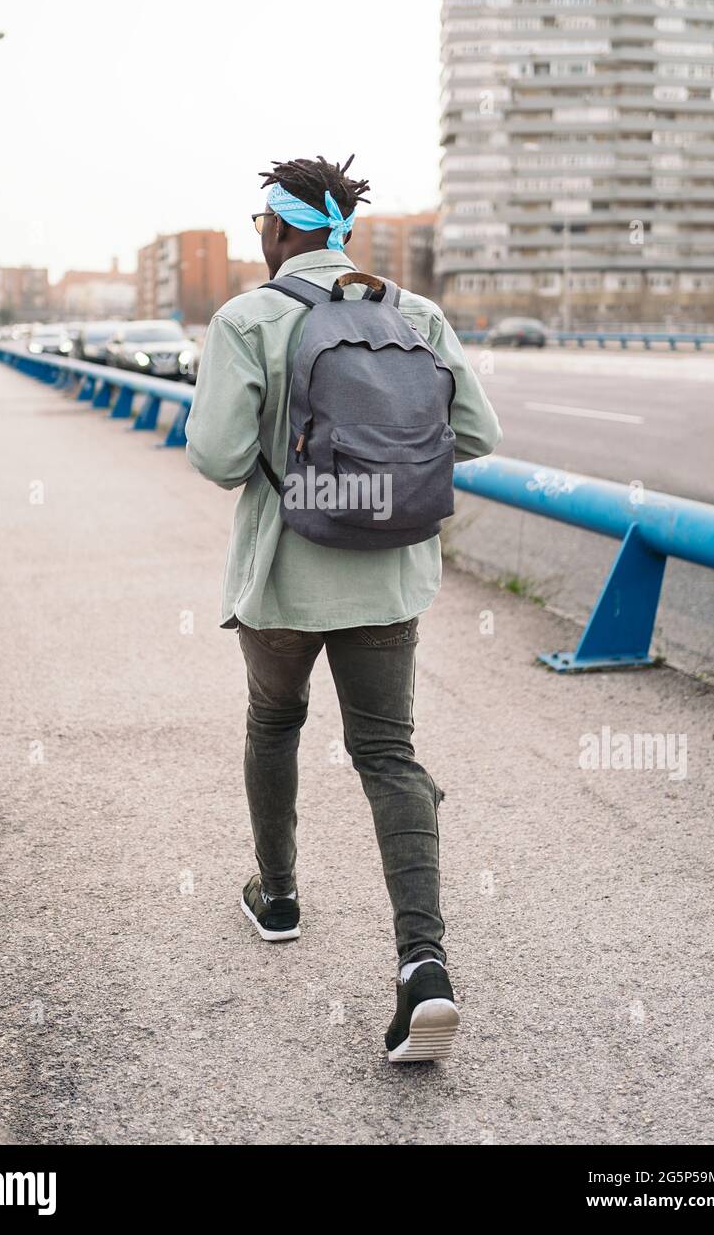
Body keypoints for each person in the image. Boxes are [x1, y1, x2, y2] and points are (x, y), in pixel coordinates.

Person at [185, 155, 501, 1062]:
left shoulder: (247, 319)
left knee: (274, 722)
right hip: (387, 578)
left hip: (283, 577)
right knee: (388, 753)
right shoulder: (415, 314)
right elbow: (478, 434)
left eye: (262, 224)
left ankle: (277, 898)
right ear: (343, 231)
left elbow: (216, 457)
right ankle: (423, 967)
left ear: (282, 233)